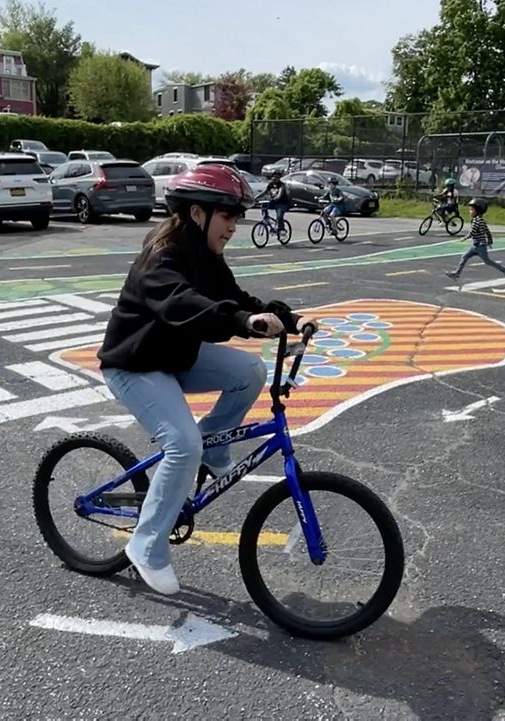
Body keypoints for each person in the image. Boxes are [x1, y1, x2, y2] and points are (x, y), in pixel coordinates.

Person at [96, 164, 308, 595]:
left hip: (175, 357)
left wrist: (288, 318)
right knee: (182, 444)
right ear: (197, 214)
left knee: (249, 371)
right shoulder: (163, 258)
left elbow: (235, 299)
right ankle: (146, 544)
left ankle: (214, 444)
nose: (234, 226)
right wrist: (244, 321)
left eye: (237, 217)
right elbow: (182, 304)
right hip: (135, 366)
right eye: (228, 215)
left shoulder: (206, 256)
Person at [446, 197, 505, 281]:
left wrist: (464, 238)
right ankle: (456, 274)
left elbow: (473, 232)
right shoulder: (475, 220)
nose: (470, 211)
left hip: (480, 246)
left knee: (487, 261)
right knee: (464, 257)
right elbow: (487, 232)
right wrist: (490, 241)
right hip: (475, 245)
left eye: (472, 210)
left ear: (478, 210)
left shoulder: (479, 221)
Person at [258, 170, 291, 239]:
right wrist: (256, 198)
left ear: (279, 178)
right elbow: (264, 192)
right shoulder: (270, 185)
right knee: (265, 208)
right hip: (274, 202)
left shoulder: (282, 185)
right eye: (273, 177)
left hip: (282, 203)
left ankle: (282, 230)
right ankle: (271, 225)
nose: (274, 178)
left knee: (279, 217)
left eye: (276, 177)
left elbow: (280, 194)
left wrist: (277, 197)